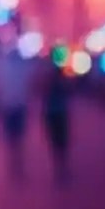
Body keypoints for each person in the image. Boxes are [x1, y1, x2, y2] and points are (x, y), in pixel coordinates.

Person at [0, 44, 30, 182]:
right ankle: (16, 165)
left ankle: (16, 165)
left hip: (13, 107)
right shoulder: (15, 67)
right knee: (14, 138)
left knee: (15, 138)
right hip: (13, 107)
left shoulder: (6, 67)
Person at [40, 53, 72, 184]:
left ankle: (60, 168)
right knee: (59, 142)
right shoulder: (57, 75)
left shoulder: (53, 76)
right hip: (57, 112)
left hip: (54, 112)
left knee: (57, 142)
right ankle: (61, 168)